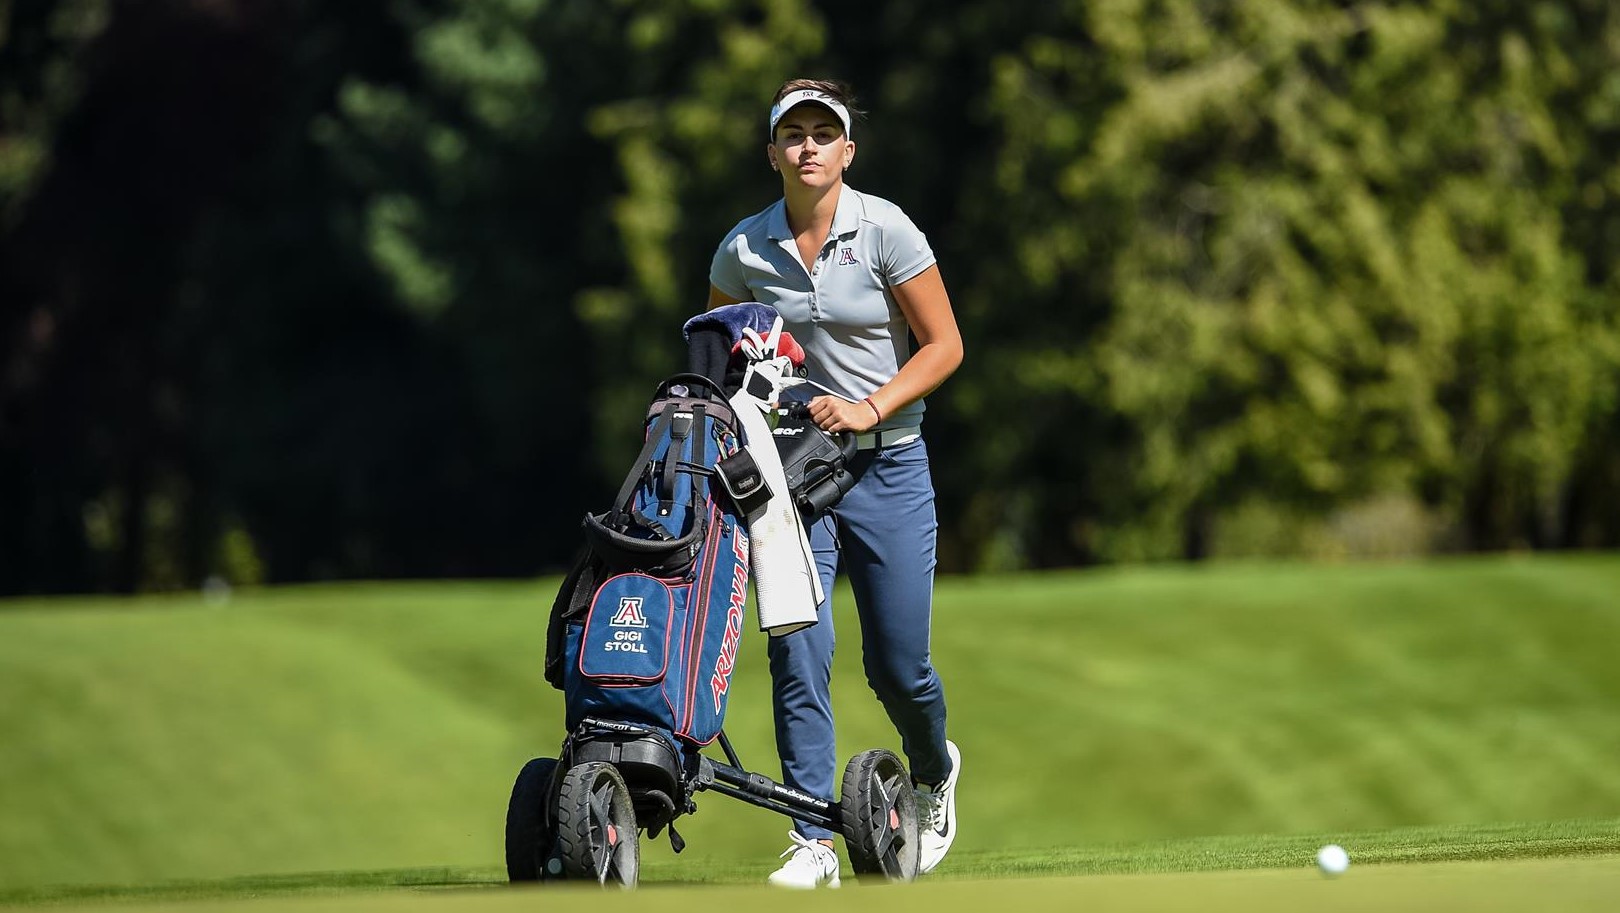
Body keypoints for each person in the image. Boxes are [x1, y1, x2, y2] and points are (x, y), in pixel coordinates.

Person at [707, 77, 964, 889]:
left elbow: (944, 344)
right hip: (793, 474)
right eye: (795, 135)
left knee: (897, 664)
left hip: (889, 459)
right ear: (774, 151)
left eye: (825, 134)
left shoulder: (885, 229)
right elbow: (719, 361)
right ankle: (814, 833)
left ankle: (933, 767)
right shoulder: (743, 249)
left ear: (847, 150)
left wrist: (870, 405)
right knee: (797, 641)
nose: (809, 146)